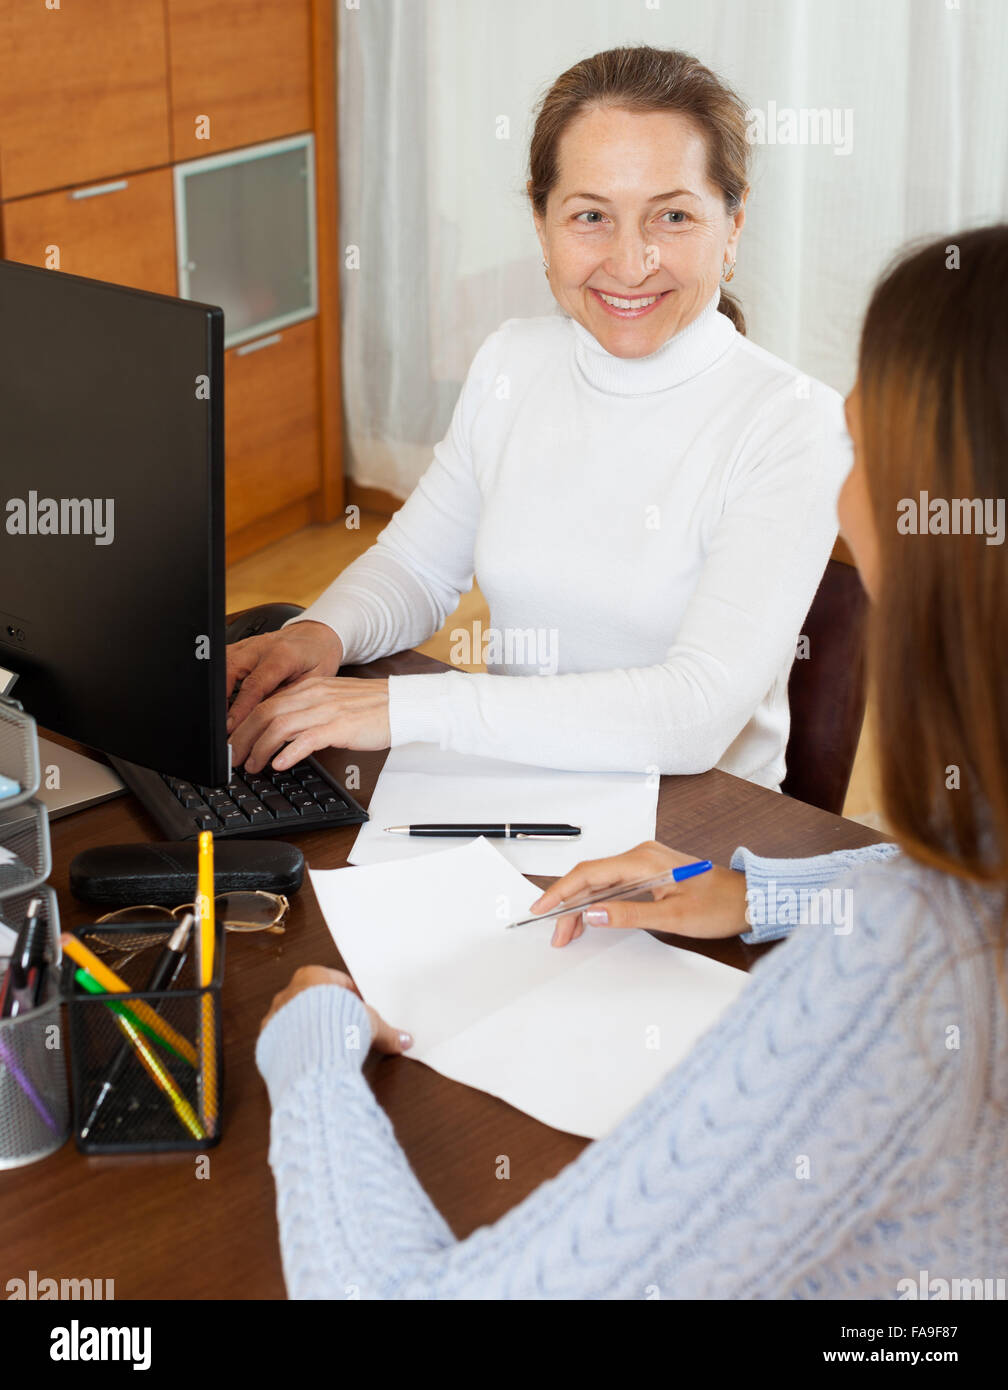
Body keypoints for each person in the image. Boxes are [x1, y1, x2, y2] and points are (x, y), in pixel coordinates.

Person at [253, 225, 1008, 1299]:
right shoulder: (959, 887)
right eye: (591, 213)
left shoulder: (905, 980)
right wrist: (755, 888)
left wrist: (313, 1050)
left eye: (872, 423)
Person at [226, 46, 849, 790]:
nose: (630, 262)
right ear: (540, 221)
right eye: (591, 216)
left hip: (693, 845)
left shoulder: (794, 422)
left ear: (734, 226)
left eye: (673, 216)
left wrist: (406, 707)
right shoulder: (512, 363)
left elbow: (695, 716)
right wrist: (320, 635)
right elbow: (417, 566)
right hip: (512, 782)